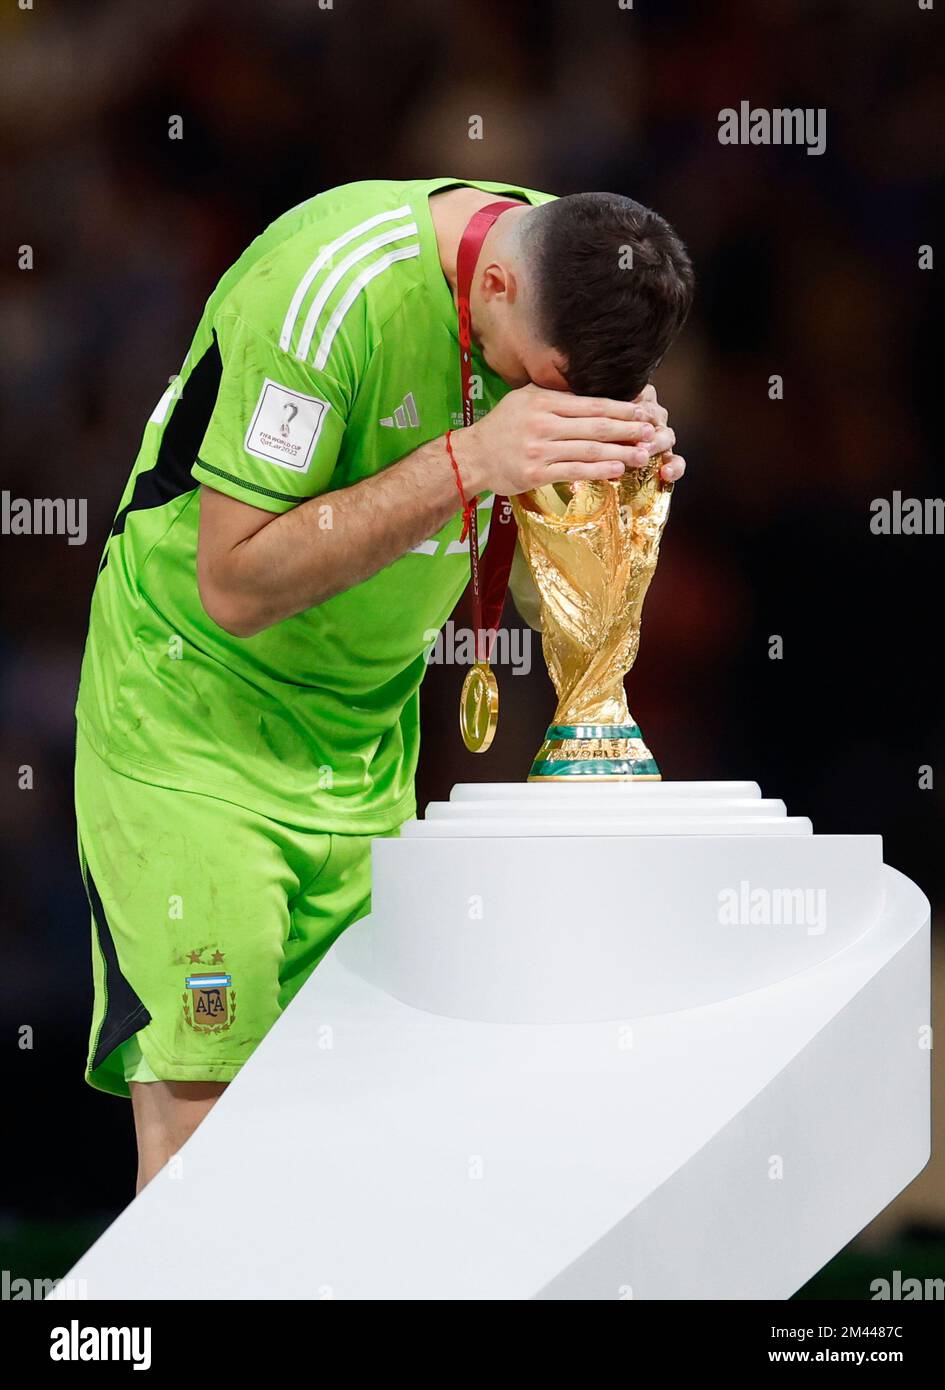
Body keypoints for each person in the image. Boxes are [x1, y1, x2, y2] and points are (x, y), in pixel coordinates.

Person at [74, 177, 693, 1191]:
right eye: (527, 379)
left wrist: (603, 513)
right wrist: (470, 459)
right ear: (493, 280)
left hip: (363, 750)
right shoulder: (322, 291)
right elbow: (232, 583)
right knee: (208, 1145)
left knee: (341, 1149)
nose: (524, 397)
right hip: (192, 732)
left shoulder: (576, 279)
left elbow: (545, 597)